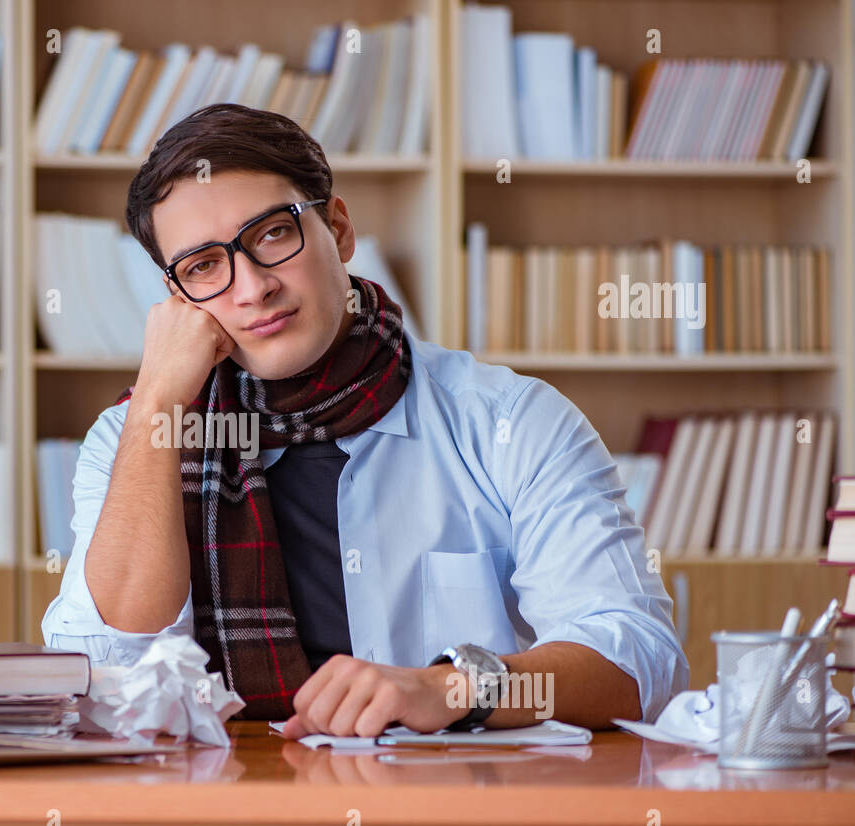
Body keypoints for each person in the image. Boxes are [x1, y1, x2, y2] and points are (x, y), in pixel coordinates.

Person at [41, 103, 688, 739]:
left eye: (271, 233)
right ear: (176, 299)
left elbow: (639, 659)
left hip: (448, 820)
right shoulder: (133, 439)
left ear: (339, 230)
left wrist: (451, 687)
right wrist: (157, 399)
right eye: (204, 266)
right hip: (219, 816)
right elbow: (100, 667)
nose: (251, 287)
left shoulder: (510, 421)